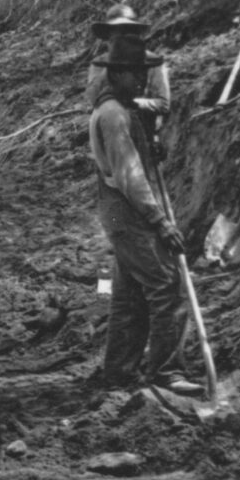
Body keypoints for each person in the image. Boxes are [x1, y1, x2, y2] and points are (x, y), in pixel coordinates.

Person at [88, 30, 190, 391]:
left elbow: (134, 162)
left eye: (145, 73)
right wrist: (161, 222)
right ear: (117, 73)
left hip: (115, 210)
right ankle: (166, 371)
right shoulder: (114, 116)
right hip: (125, 209)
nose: (143, 81)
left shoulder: (117, 110)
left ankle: (119, 371)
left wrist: (150, 146)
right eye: (136, 74)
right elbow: (130, 176)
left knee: (129, 293)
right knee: (167, 284)